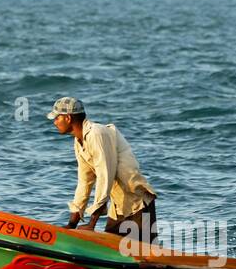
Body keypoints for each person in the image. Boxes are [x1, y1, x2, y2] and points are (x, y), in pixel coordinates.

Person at [49, 97, 158, 241]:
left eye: (57, 117)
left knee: (145, 259)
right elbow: (85, 182)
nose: (54, 122)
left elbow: (105, 176)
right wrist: (71, 224)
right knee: (113, 253)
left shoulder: (97, 134)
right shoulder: (79, 141)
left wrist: (92, 224)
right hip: (118, 207)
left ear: (68, 118)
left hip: (138, 204)